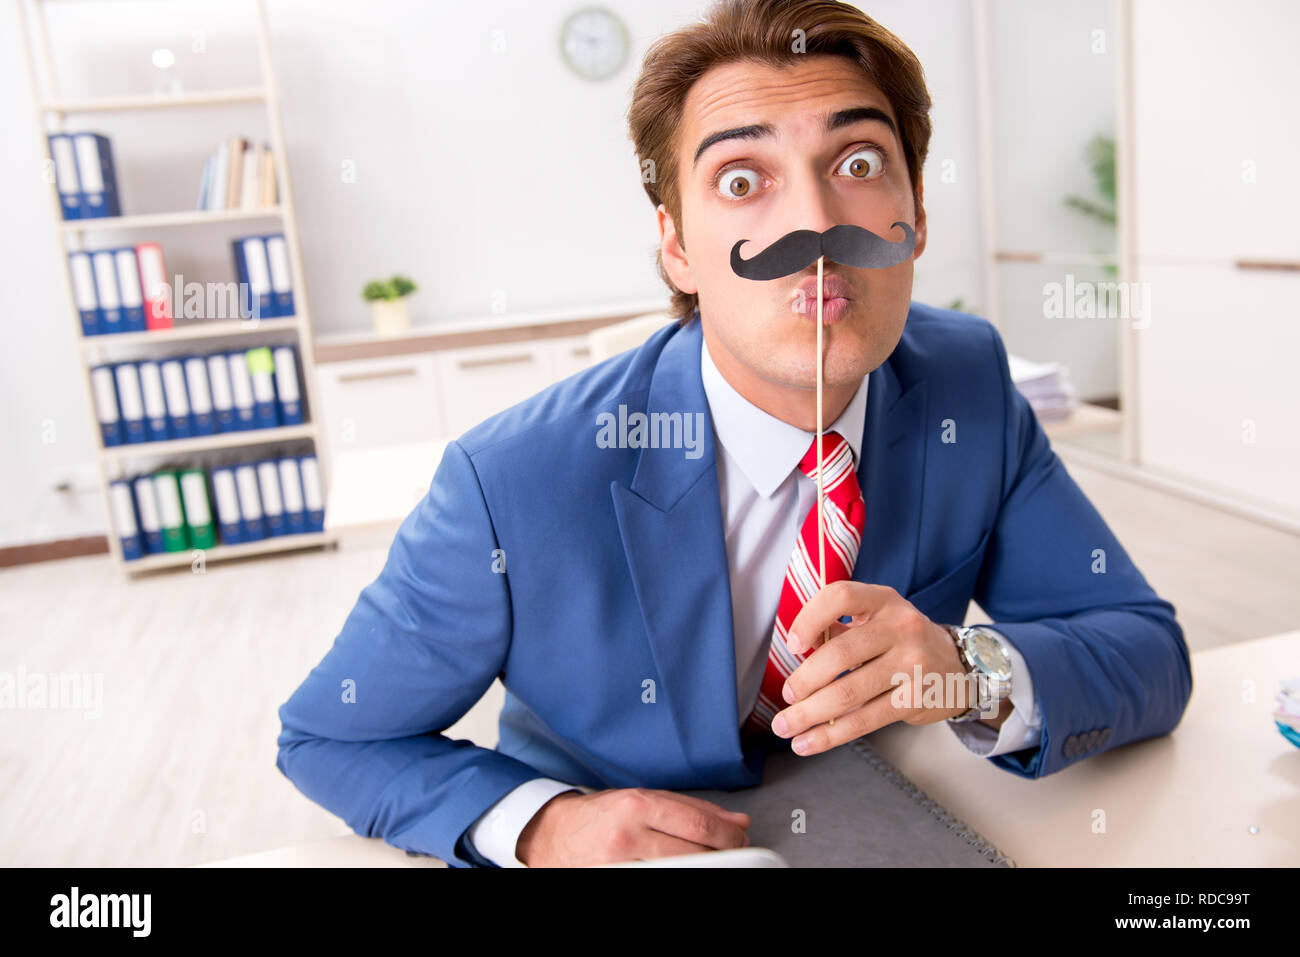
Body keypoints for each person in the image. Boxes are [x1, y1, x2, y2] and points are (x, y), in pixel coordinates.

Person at [276, 0, 1191, 867]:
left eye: (861, 164)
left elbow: (1145, 649)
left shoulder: (969, 386)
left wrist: (969, 671)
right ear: (677, 247)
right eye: (743, 180)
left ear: (916, 214)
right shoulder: (509, 484)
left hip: (891, 812)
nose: (816, 224)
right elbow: (329, 733)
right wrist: (545, 826)